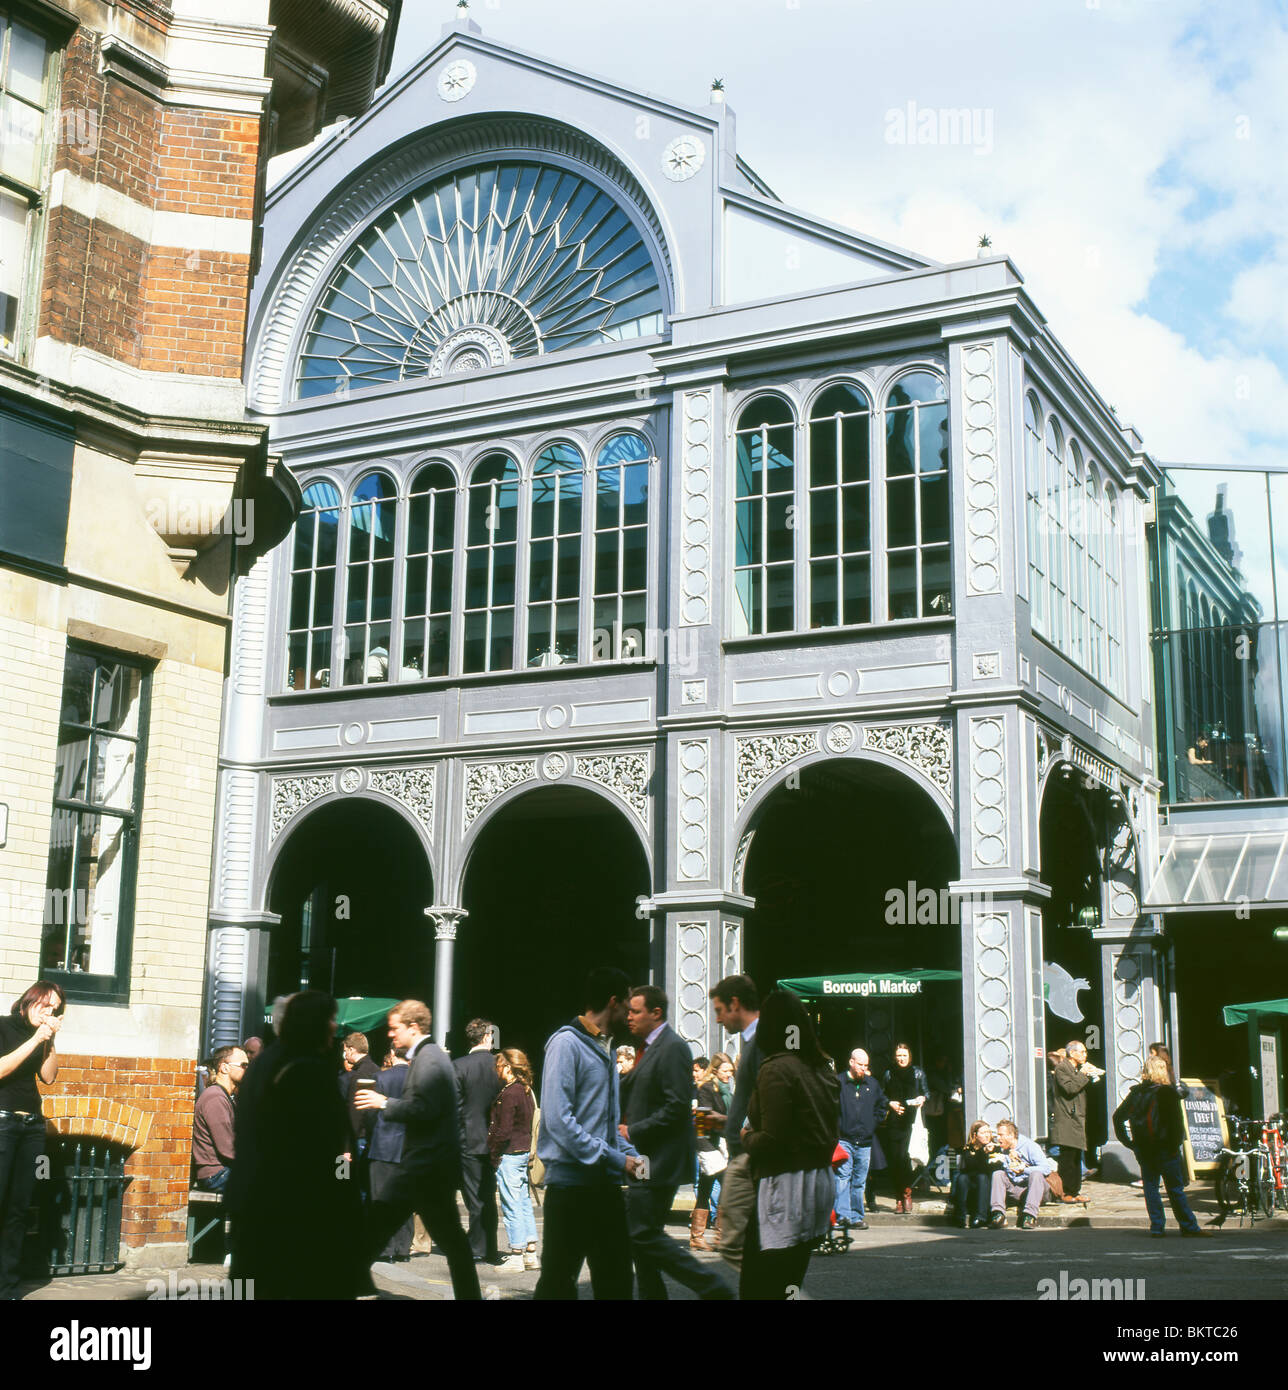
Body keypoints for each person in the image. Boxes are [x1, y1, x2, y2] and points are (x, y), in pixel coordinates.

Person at [228, 991, 368, 1298]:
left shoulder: (266, 1062)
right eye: (328, 1020)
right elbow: (328, 1149)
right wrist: (344, 1192)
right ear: (313, 1025)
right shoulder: (307, 1069)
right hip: (298, 1217)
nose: (334, 1027)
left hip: (256, 1205)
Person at [354, 1000, 481, 1299]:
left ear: (414, 1027)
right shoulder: (429, 1056)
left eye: (395, 1028)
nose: (390, 1034)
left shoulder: (429, 1059)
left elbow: (425, 1109)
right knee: (450, 1242)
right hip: (429, 1168)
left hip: (423, 1169)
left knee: (375, 1230)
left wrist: (383, 1102)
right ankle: (354, 1283)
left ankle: (348, 1284)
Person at [533, 966, 642, 1300]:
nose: (629, 1012)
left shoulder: (606, 1048)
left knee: (617, 1281)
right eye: (627, 1003)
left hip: (604, 1188)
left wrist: (634, 1157)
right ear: (613, 1002)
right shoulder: (566, 1044)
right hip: (571, 1191)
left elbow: (606, 1127)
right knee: (558, 1285)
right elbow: (559, 1121)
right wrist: (616, 1158)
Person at [619, 986, 732, 1300]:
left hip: (660, 1158)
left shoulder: (672, 1047)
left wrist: (633, 1130)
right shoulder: (645, 1047)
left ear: (656, 1013)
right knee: (642, 1239)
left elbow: (676, 1106)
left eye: (636, 1011)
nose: (629, 1016)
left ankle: (712, 1287)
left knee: (641, 1233)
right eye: (628, 1010)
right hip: (645, 1158)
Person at [740, 990, 840, 1300]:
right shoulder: (823, 1068)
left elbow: (773, 1139)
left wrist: (746, 1138)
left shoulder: (776, 1068)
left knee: (759, 1286)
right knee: (790, 1281)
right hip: (817, 1182)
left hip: (784, 1184)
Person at [0, 982, 63, 1301]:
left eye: (55, 1008)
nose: (49, 1011)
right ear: (27, 1003)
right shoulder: (3, 1026)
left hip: (31, 1126)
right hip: (3, 1122)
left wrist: (49, 1042)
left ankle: (7, 1287)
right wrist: (36, 1039)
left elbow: (49, 1077)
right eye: (44, 1005)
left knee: (17, 1209)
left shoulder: (44, 1037)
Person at [1113, 1055, 1207, 1238]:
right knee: (1175, 1189)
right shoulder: (1167, 1093)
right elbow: (1175, 1124)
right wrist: (1175, 1145)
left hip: (1144, 1148)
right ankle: (1188, 1226)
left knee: (1150, 1187)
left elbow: (1118, 1117)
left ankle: (1157, 1226)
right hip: (1166, 1148)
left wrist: (1129, 1143)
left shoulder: (1137, 1093)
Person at [708, 973, 761, 1271]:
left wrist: (747, 1134)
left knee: (744, 1252)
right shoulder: (752, 1041)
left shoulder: (761, 1041)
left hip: (754, 1161)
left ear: (735, 1004)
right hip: (748, 1155)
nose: (717, 1020)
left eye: (719, 1010)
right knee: (742, 1251)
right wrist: (726, 1122)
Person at [454, 1018, 502, 1264]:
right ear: (486, 1037)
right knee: (488, 1196)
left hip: (468, 1140)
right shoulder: (500, 1065)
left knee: (474, 1198)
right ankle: (490, 1246)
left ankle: (477, 1247)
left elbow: (455, 1108)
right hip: (497, 1141)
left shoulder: (459, 1066)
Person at [488, 1047, 538, 1272]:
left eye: (498, 1065)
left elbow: (503, 1130)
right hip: (523, 1151)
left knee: (511, 1204)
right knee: (523, 1201)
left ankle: (516, 1254)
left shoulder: (509, 1093)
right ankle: (530, 1252)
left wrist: (493, 1153)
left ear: (507, 1067)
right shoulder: (526, 1090)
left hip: (509, 1153)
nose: (496, 1070)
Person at [368, 1048, 413, 1262]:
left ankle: (386, 1249)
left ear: (393, 1053)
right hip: (409, 1146)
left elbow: (370, 1113)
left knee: (381, 1197)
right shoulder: (418, 1080)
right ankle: (404, 1248)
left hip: (384, 1144)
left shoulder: (380, 1077)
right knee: (405, 1199)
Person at [836, 1048, 887, 1231]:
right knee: (843, 1177)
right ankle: (842, 1216)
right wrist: (838, 1126)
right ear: (851, 1062)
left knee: (859, 1181)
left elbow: (882, 1105)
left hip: (865, 1141)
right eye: (860, 1065)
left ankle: (857, 1216)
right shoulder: (839, 1082)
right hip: (844, 1139)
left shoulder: (872, 1084)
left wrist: (873, 1123)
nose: (863, 1069)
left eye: (866, 1065)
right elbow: (830, 1107)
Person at [1050, 1039, 1102, 1204]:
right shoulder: (1061, 1068)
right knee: (1068, 1158)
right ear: (1072, 1053)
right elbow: (1070, 1088)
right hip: (1067, 1120)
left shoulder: (1074, 1068)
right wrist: (1083, 1074)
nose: (1085, 1055)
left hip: (1076, 1120)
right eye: (1082, 1052)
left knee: (1076, 1156)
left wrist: (1090, 1074)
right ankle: (1066, 1192)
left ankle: (1074, 1190)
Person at [192, 1044, 247, 1192]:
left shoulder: (225, 1097)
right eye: (244, 1065)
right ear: (224, 1068)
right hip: (216, 1175)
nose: (248, 1069)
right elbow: (228, 1149)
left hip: (223, 1172)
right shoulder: (215, 1097)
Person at [692, 1053, 733, 1249]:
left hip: (719, 1144)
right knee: (727, 1184)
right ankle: (721, 1238)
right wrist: (704, 1147)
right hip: (707, 1145)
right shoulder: (706, 1088)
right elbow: (701, 1121)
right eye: (726, 1071)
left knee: (704, 1190)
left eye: (731, 1071)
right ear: (715, 1070)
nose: (729, 1075)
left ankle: (697, 1238)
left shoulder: (725, 1090)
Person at [882, 1043, 928, 1212]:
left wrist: (922, 1098)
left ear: (910, 1057)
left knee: (906, 1159)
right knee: (894, 1160)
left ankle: (907, 1193)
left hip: (912, 1123)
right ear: (895, 1057)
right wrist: (890, 1103)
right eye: (899, 1055)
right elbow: (882, 1095)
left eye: (904, 1055)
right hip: (894, 1121)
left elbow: (927, 1093)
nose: (901, 1059)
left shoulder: (918, 1073)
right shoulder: (888, 1074)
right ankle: (898, 1198)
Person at [988, 1119, 1056, 1230]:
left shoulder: (1030, 1146)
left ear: (1011, 1135)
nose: (998, 1138)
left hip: (1036, 1190)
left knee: (1036, 1174)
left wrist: (1023, 1170)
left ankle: (1029, 1216)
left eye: (1001, 1135)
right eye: (997, 1135)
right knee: (998, 1174)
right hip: (1017, 1190)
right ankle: (998, 1214)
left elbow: (1046, 1168)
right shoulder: (1002, 1149)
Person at [950, 1120, 1003, 1228]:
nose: (987, 1135)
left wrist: (989, 1152)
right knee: (962, 1178)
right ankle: (960, 1216)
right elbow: (971, 1166)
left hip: (987, 1184)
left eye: (988, 1132)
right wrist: (983, 1152)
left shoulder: (996, 1147)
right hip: (972, 1183)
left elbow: (992, 1168)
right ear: (975, 1135)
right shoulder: (968, 1149)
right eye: (983, 1133)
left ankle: (981, 1217)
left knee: (982, 1177)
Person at [341, 1032, 380, 1162]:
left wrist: (346, 1148)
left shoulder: (359, 1075)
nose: (345, 1055)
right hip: (373, 1136)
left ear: (352, 1050)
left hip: (358, 1138)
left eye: (345, 1050)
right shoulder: (376, 1069)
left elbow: (354, 1114)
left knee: (345, 1176)